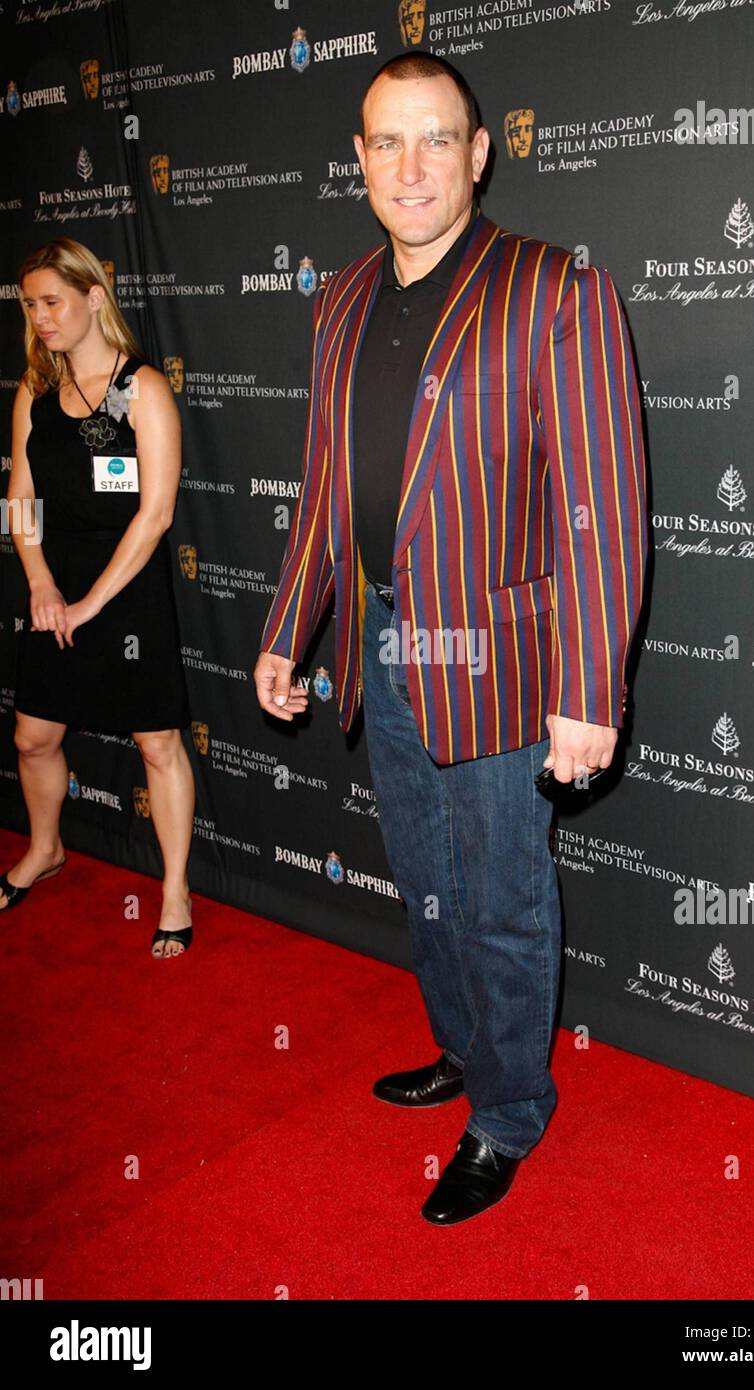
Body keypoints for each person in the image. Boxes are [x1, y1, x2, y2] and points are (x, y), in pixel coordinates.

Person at [254, 52, 648, 1223]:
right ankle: (470, 1052)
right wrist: (289, 628)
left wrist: (589, 690)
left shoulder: (553, 287)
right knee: (428, 883)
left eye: (437, 139)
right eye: (386, 142)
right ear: (360, 160)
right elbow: (327, 485)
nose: (411, 166)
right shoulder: (337, 298)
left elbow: (605, 509)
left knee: (502, 896)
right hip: (382, 640)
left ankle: (510, 1111)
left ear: (481, 152)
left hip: (505, 658)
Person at [3, 237, 196, 959]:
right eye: (30, 306)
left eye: (52, 301)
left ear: (92, 297)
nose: (41, 318)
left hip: (129, 586)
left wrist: (91, 604)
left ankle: (174, 888)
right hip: (54, 588)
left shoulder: (141, 387)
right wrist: (43, 582)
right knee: (33, 737)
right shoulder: (34, 391)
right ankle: (45, 848)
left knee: (156, 744)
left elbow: (156, 513)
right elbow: (19, 500)